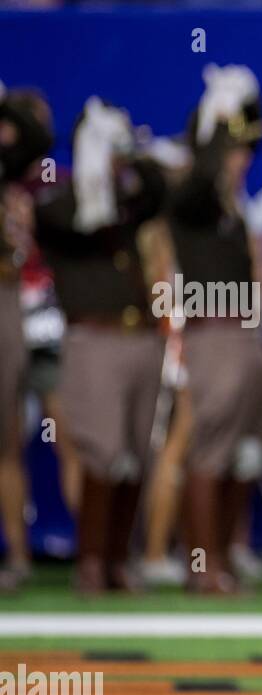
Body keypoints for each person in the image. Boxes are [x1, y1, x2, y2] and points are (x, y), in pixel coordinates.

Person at [35, 98, 167, 594]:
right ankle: (90, 561)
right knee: (102, 452)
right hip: (94, 339)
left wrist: (132, 153)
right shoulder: (66, 206)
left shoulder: (128, 204)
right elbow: (59, 222)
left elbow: (158, 194)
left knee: (134, 454)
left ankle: (118, 560)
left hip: (139, 337)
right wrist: (88, 172)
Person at [171, 65, 262, 594]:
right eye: (231, 147)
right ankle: (201, 564)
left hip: (244, 332)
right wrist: (213, 125)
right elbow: (198, 180)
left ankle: (225, 555)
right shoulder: (193, 197)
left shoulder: (236, 203)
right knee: (210, 446)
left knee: (244, 448)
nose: (242, 158)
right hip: (212, 328)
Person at [0, 85, 55, 590]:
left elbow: (38, 140)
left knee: (15, 440)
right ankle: (16, 554)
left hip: (23, 307)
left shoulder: (28, 175)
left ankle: (20, 555)